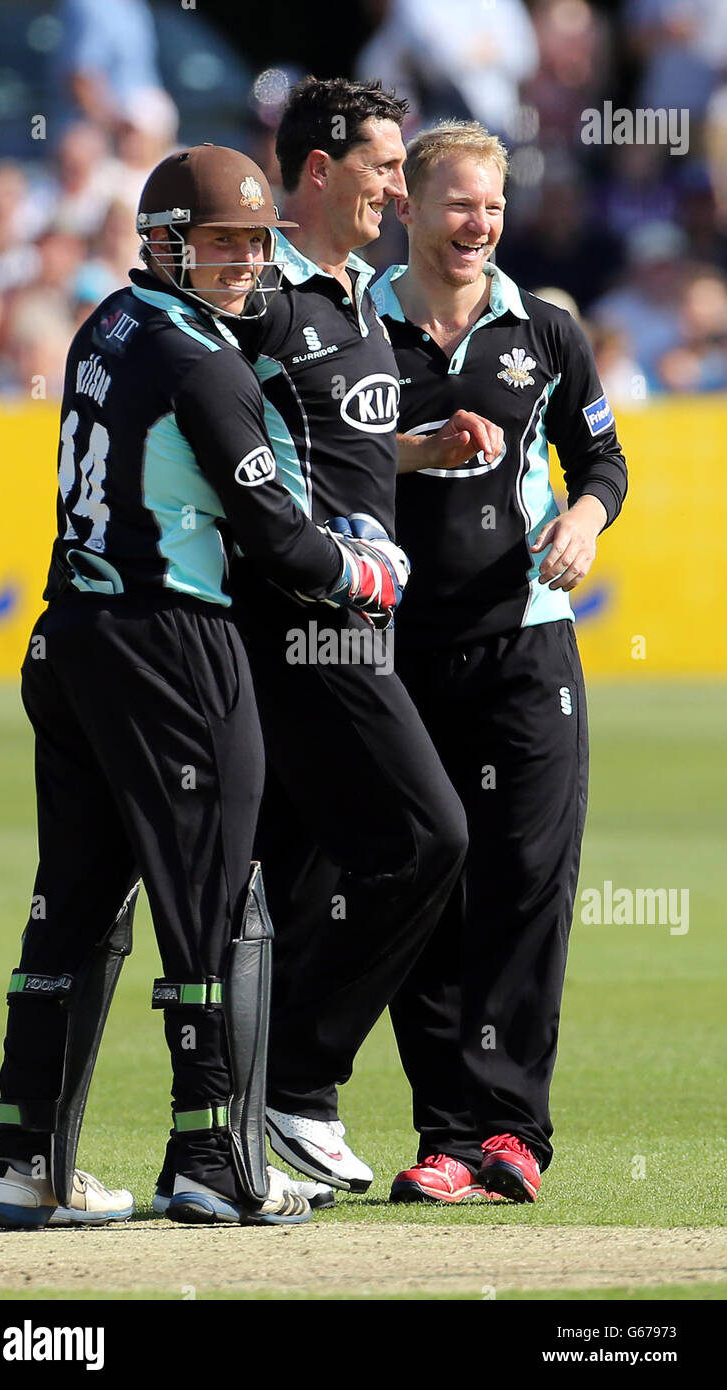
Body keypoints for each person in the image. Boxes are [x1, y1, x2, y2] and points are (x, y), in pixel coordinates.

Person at [0, 143, 408, 1230]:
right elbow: (275, 537)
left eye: (254, 244)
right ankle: (212, 1153)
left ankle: (24, 1161)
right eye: (218, 243)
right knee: (220, 903)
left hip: (71, 634)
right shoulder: (201, 360)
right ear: (164, 241)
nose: (240, 263)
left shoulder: (102, 328)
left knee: (71, 904)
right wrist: (366, 568)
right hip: (169, 640)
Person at [206, 80, 496, 1199]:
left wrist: (419, 453)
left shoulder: (361, 299)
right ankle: (300, 1081)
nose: (396, 185)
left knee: (277, 886)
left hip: (356, 622)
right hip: (301, 627)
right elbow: (219, 435)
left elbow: (331, 446)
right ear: (319, 171)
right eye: (381, 165)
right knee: (429, 835)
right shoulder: (265, 296)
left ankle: (220, 1142)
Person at [371, 121, 628, 1203]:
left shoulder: (546, 330)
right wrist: (410, 450)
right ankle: (446, 1131)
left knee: (527, 884)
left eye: (493, 207)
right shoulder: (352, 324)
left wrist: (586, 517)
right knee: (419, 881)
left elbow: (605, 457)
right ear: (411, 207)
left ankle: (510, 1133)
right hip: (391, 647)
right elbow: (306, 457)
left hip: (528, 645)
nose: (478, 225)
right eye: (458, 203)